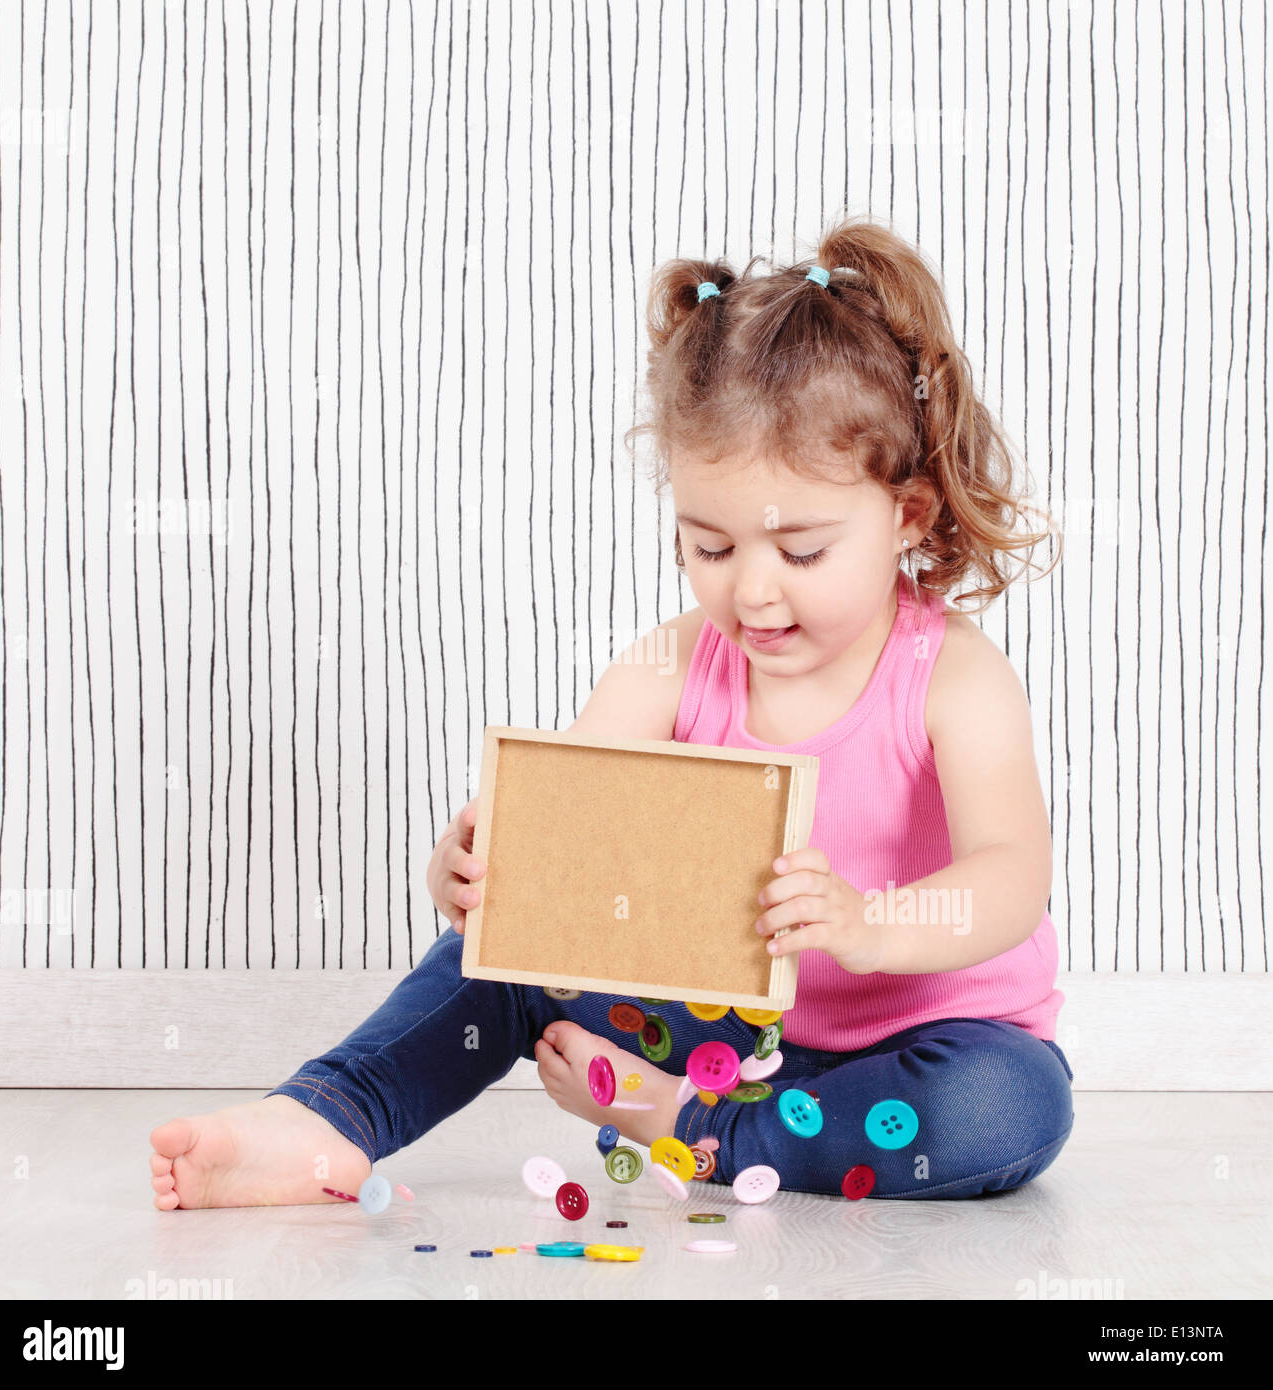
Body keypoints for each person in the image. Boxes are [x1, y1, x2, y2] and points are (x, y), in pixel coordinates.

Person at [149, 217, 1073, 1209]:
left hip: (915, 1052)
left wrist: (867, 925)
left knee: (1010, 1107)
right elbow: (567, 863)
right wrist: (480, 876)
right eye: (709, 547)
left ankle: (693, 1127)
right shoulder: (669, 665)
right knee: (498, 960)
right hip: (721, 1034)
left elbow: (1011, 878)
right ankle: (327, 1118)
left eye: (798, 552)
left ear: (908, 514)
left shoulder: (955, 676)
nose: (753, 594)